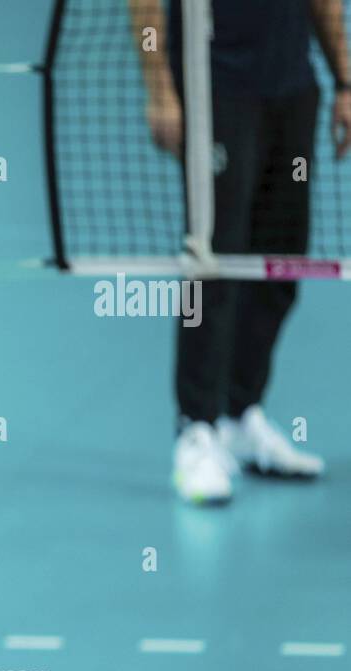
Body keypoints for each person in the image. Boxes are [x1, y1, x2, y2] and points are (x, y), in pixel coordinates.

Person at [132, 0, 351, 504]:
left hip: (292, 91)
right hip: (217, 92)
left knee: (282, 263)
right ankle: (196, 430)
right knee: (212, 264)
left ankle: (239, 414)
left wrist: (343, 80)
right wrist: (161, 89)